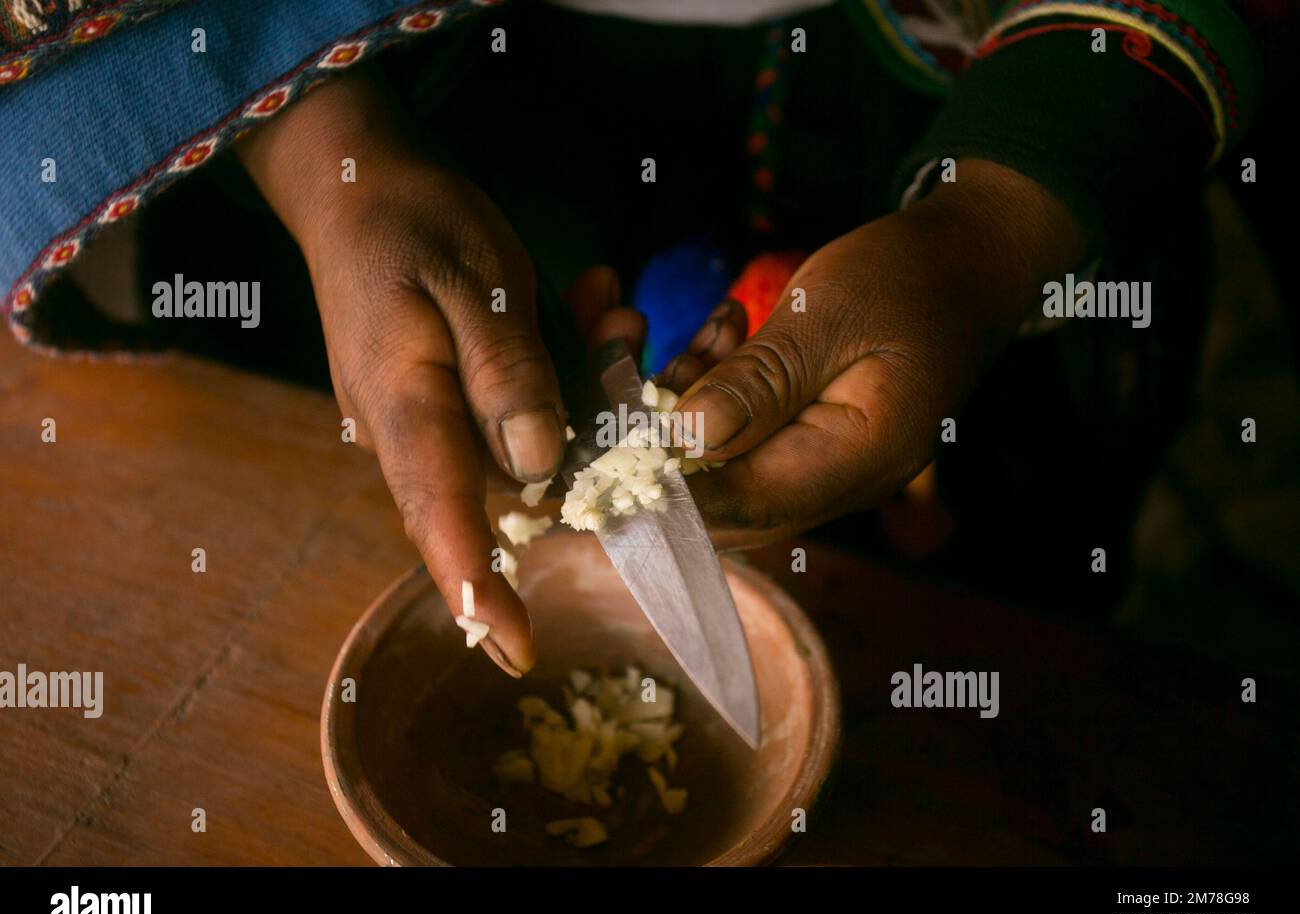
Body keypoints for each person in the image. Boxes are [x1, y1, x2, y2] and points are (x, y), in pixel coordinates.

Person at [0, 0, 1281, 676]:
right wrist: (331, 155)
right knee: (490, 411)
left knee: (987, 590)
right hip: (428, 73)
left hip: (1002, 82)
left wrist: (993, 229)